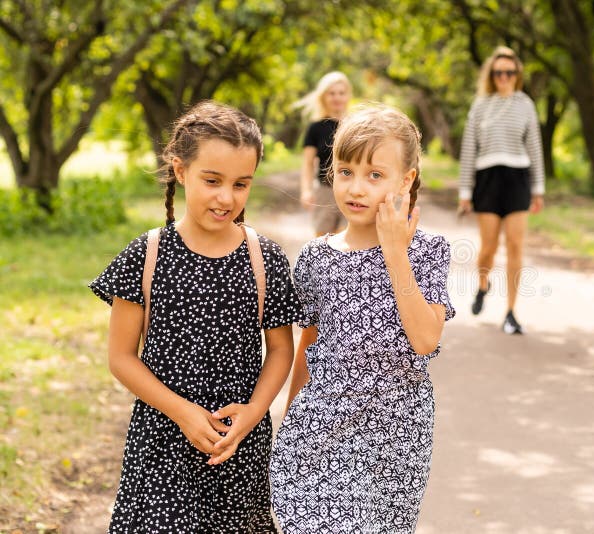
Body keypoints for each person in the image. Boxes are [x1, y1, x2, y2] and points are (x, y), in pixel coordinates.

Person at [89, 101, 301, 533]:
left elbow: (281, 349)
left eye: (241, 184)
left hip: (237, 447)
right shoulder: (145, 256)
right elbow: (121, 358)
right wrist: (183, 412)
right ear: (180, 171)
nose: (227, 197)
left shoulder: (266, 259)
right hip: (161, 445)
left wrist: (256, 411)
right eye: (212, 180)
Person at [270, 105, 455, 533]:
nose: (356, 188)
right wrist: (288, 421)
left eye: (375, 175)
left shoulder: (428, 251)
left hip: (395, 437)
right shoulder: (317, 257)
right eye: (346, 171)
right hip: (319, 428)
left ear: (406, 180)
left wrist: (395, 252)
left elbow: (425, 339)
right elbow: (309, 346)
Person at [458, 46, 545, 335]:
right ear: (491, 75)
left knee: (516, 247)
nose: (504, 77)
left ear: (517, 75)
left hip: (518, 178)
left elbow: (534, 147)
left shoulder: (526, 104)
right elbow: (469, 150)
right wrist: (465, 192)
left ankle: (510, 311)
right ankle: (483, 284)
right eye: (499, 73)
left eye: (509, 72)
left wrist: (538, 188)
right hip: (488, 180)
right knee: (488, 248)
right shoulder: (480, 105)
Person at [296, 71, 352, 236]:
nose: (337, 97)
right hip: (325, 191)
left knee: (348, 237)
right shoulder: (315, 128)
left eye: (341, 93)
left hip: (352, 189)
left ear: (348, 96)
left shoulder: (355, 125)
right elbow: (307, 163)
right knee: (324, 240)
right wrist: (306, 190)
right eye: (331, 93)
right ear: (323, 97)